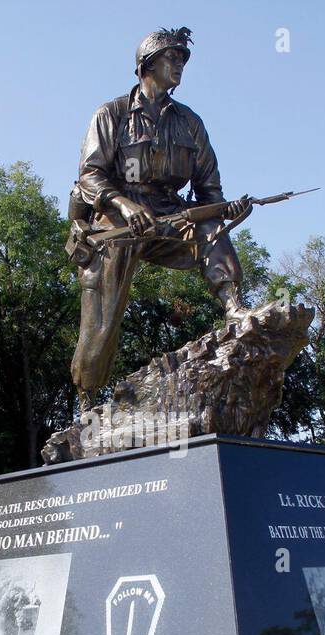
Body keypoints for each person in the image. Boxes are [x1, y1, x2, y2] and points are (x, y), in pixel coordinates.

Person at [67, 27, 253, 410]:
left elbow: (209, 190)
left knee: (210, 227)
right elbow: (89, 174)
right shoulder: (112, 114)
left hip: (170, 216)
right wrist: (123, 204)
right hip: (115, 221)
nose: (180, 65)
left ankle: (233, 305)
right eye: (173, 58)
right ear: (146, 65)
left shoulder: (189, 123)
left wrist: (226, 212)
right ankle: (86, 396)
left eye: (184, 59)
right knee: (102, 320)